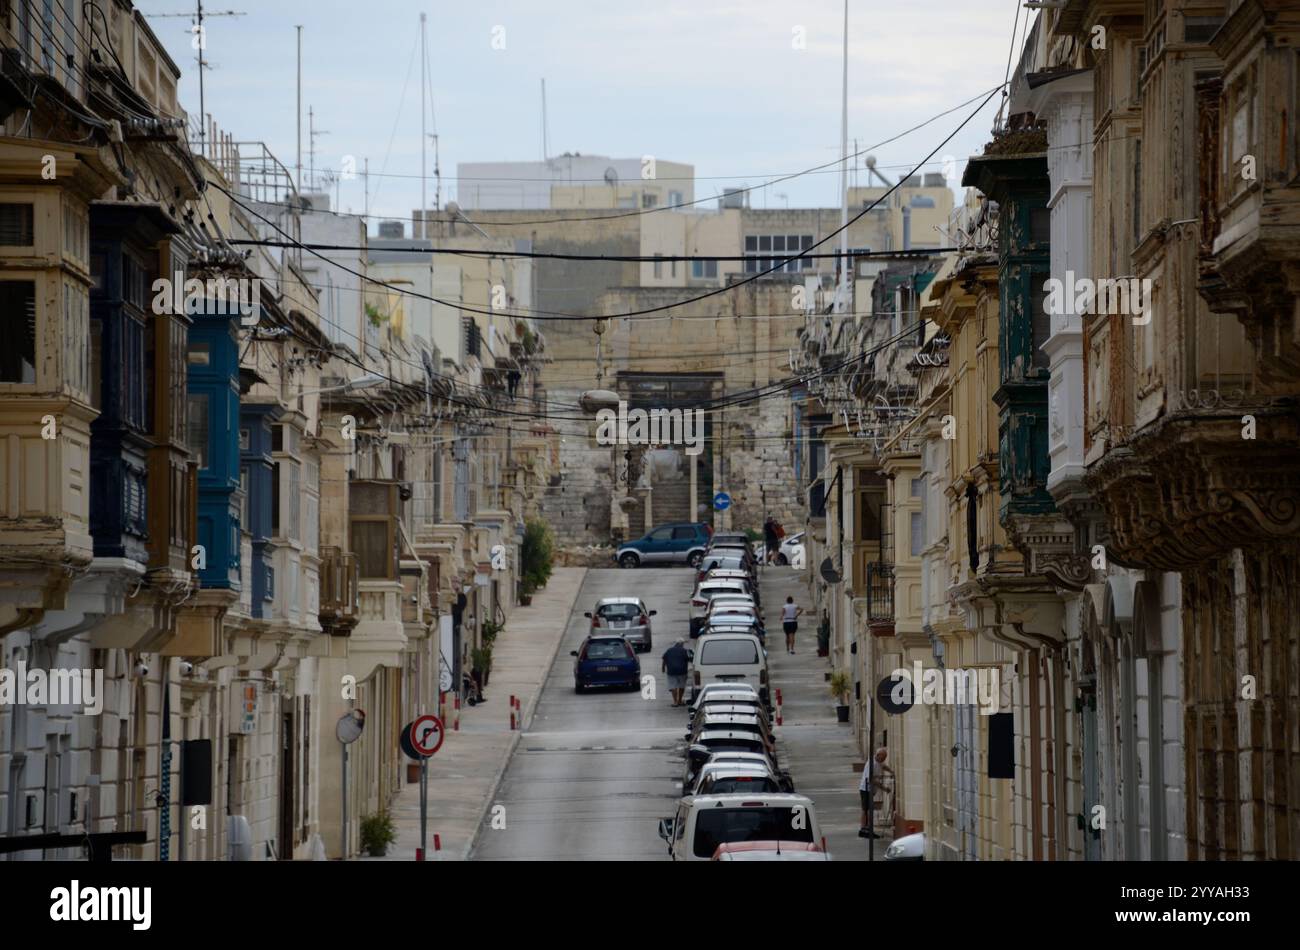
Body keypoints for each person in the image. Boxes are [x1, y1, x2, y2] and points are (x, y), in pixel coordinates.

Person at [859, 747, 894, 839]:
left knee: (869, 809)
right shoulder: (872, 764)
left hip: (871, 790)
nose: (884, 759)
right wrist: (884, 788)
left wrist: (891, 771)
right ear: (878, 755)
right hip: (866, 789)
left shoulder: (878, 761)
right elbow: (871, 779)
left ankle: (868, 828)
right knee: (866, 809)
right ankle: (863, 829)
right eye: (883, 757)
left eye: (885, 758)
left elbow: (884, 766)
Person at [662, 639, 691, 707]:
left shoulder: (669, 650)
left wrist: (663, 668)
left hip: (671, 671)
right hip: (682, 671)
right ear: (682, 644)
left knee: (673, 686)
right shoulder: (684, 651)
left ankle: (675, 702)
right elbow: (689, 659)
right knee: (681, 686)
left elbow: (664, 659)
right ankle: (680, 701)